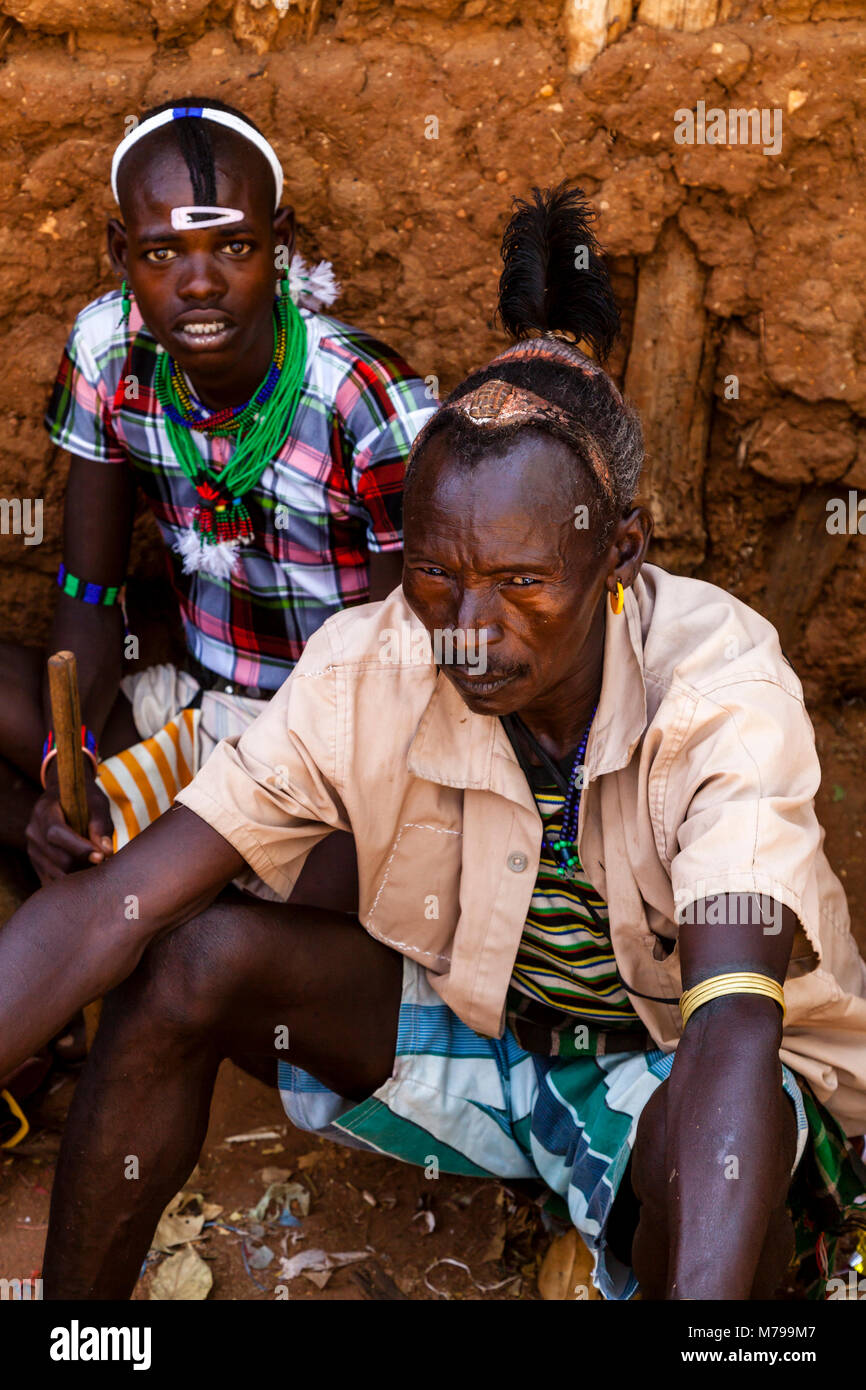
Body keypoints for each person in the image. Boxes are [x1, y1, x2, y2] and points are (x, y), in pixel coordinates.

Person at [1, 184, 864, 1301]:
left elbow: (735, 1033)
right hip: (486, 1037)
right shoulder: (374, 659)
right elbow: (119, 900)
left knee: (702, 1137)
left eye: (520, 584)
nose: (469, 633)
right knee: (190, 953)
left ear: (622, 556)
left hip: (683, 1084)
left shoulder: (718, 685)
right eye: (437, 575)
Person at [0, 97, 433, 886]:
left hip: (330, 751)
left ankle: (156, 883)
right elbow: (88, 592)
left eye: (234, 245)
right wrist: (71, 764)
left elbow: (398, 676)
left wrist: (244, 799)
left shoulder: (364, 400)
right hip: (195, 704)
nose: (199, 284)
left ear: (282, 245)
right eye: (163, 254)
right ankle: (101, 850)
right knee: (66, 819)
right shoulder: (109, 351)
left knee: (181, 913)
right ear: (120, 251)